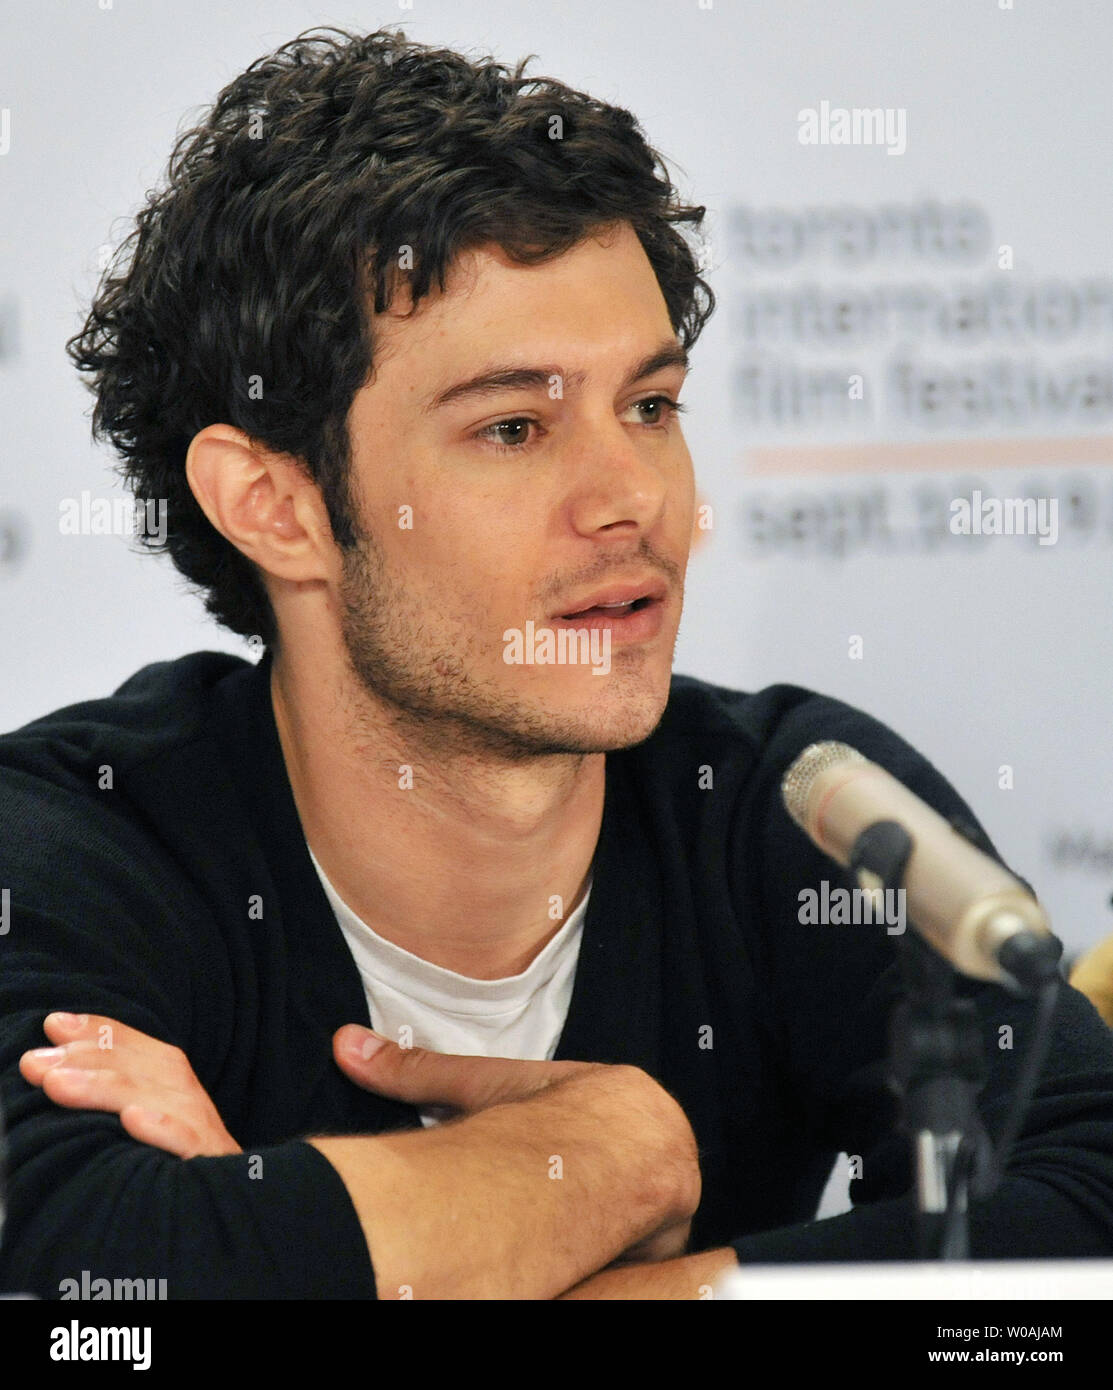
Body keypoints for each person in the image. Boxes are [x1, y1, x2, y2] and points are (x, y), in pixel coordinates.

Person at [2, 25, 1112, 1302]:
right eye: (515, 427)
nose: (632, 497)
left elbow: (1083, 1195)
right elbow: (84, 1279)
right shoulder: (74, 843)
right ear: (274, 504)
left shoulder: (800, 806)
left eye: (650, 406)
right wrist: (613, 1159)